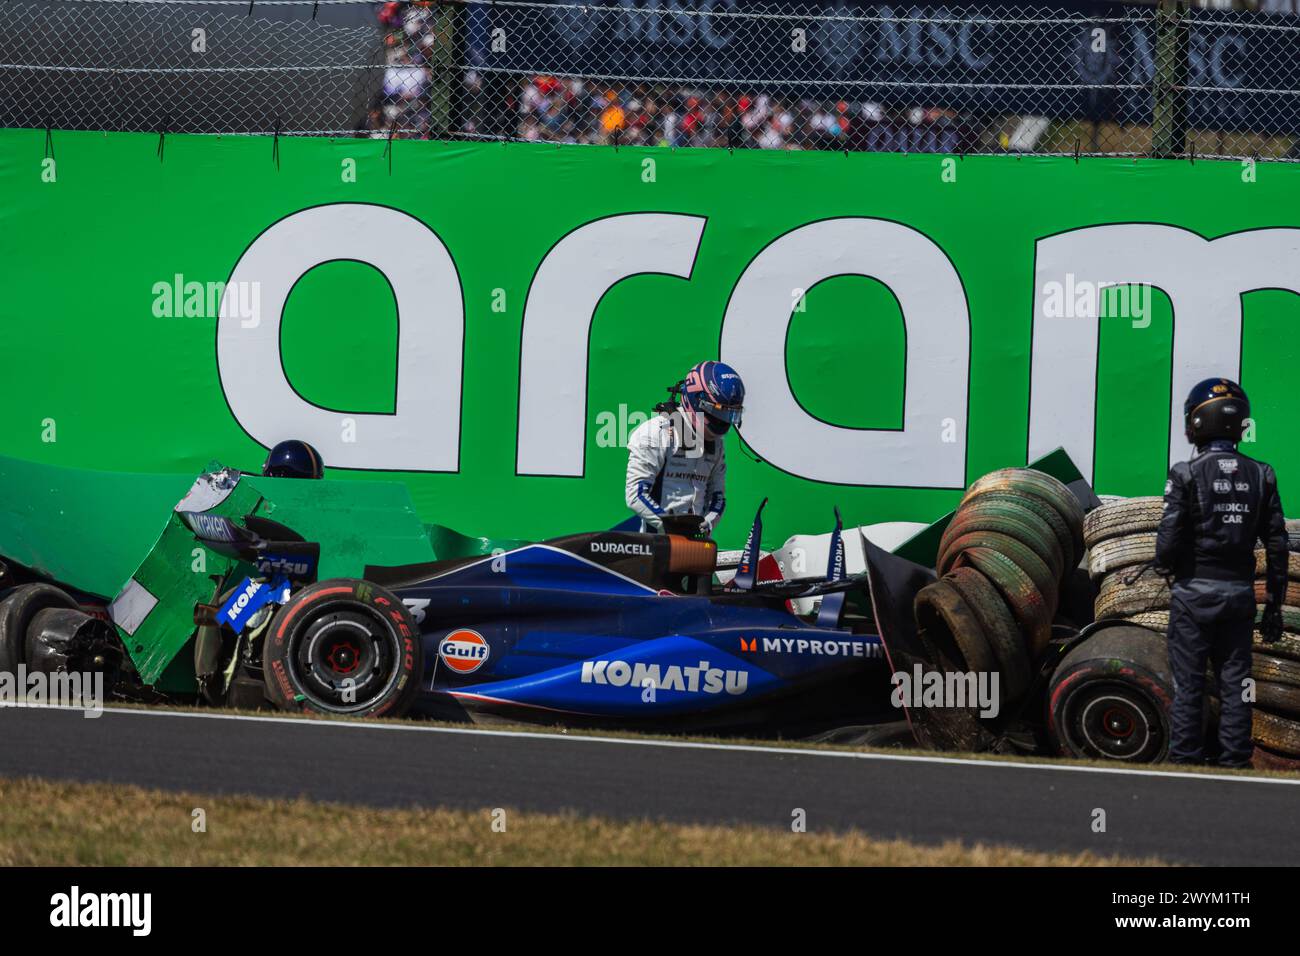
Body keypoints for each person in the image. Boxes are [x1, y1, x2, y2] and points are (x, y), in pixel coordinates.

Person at [1155, 378, 1287, 767]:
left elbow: (1166, 545)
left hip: (1193, 596)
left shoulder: (1185, 473)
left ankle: (1185, 760)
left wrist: (1165, 565)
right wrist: (1274, 607)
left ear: (1196, 423)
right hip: (1239, 598)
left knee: (1189, 684)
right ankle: (1235, 761)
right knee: (1237, 685)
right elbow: (1278, 545)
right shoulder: (1263, 474)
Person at [625, 361, 745, 535]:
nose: (723, 421)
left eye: (730, 414)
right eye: (719, 411)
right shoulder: (654, 433)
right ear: (697, 401)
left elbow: (717, 497)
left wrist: (708, 523)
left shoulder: (717, 443)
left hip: (697, 547)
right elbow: (635, 495)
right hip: (656, 547)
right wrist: (673, 527)